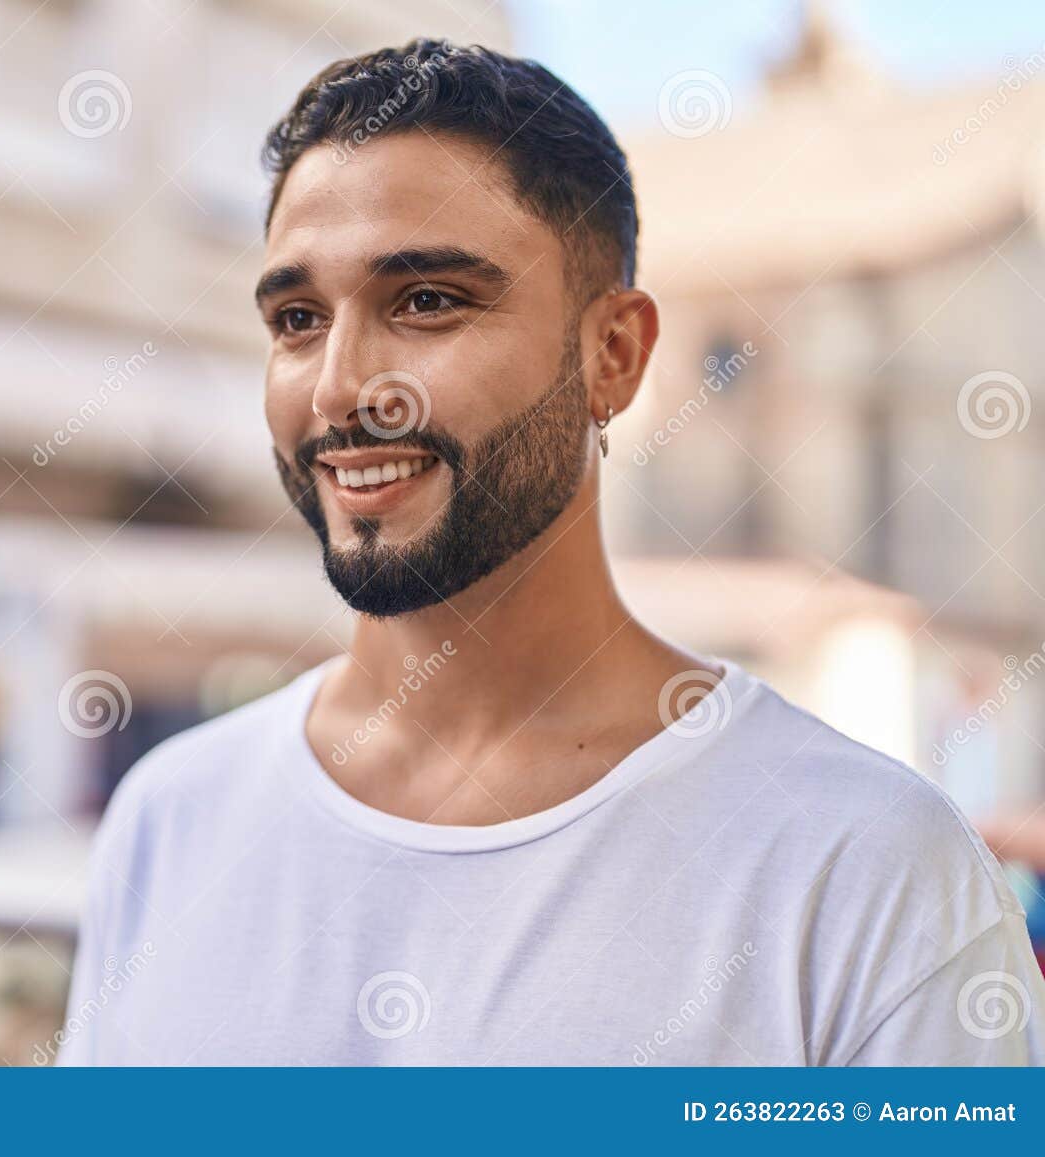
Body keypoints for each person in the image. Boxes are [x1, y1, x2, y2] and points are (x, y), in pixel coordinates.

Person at [57, 39, 1045, 1065]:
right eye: (297, 318)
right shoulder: (169, 822)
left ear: (611, 355)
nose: (342, 386)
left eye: (428, 300)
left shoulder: (867, 868)